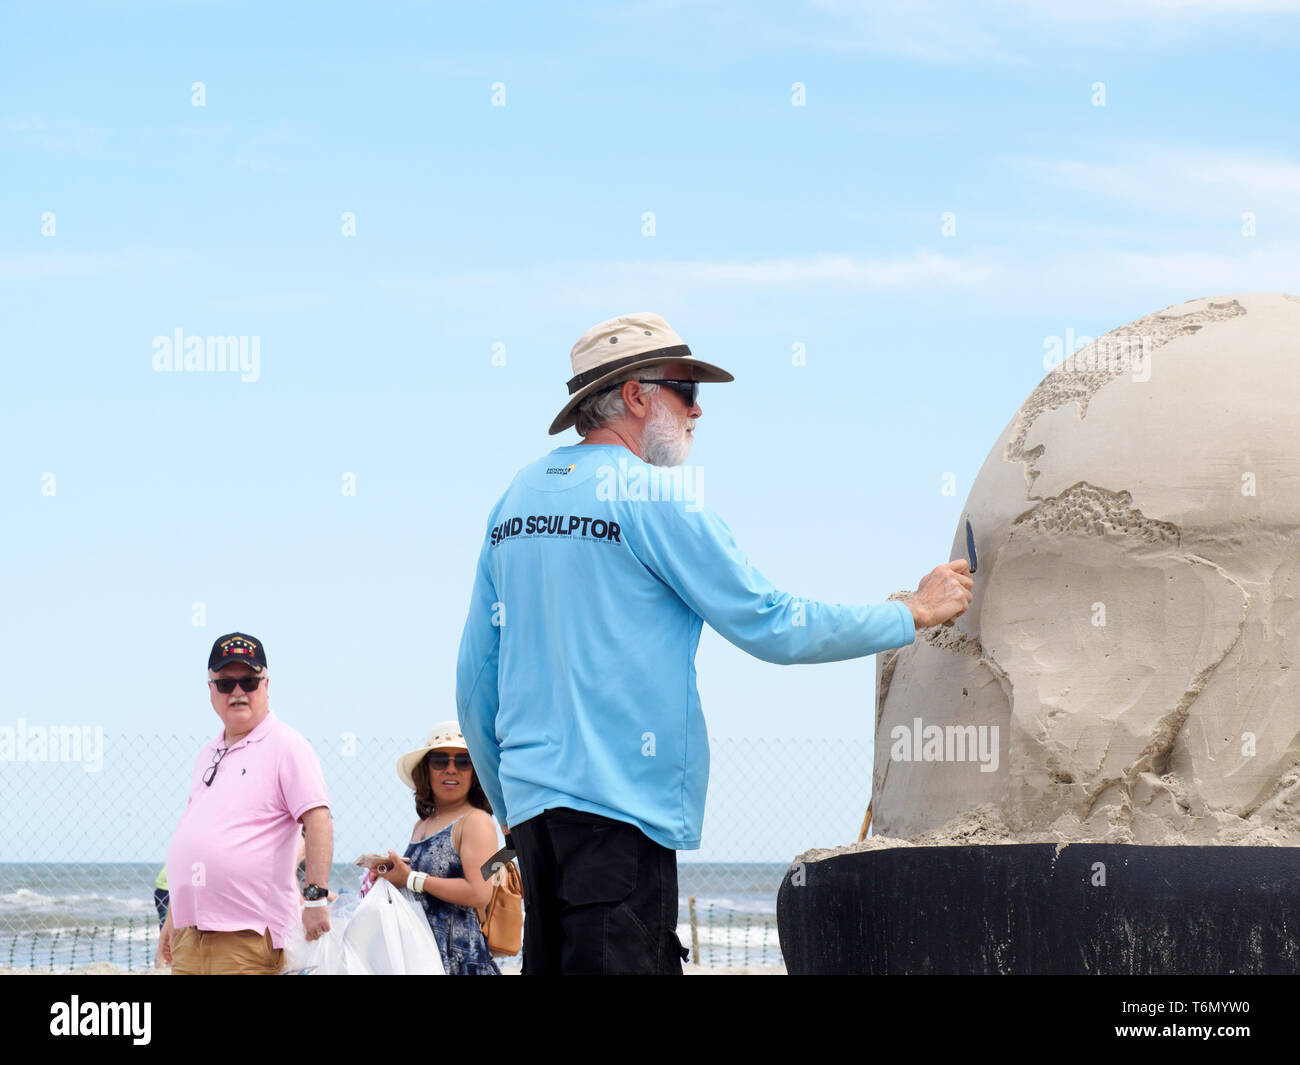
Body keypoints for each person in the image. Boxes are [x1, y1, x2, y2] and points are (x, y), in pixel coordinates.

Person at [455, 311, 973, 975]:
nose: (698, 411)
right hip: (619, 819)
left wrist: (510, 807)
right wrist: (909, 611)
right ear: (638, 396)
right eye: (686, 391)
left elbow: (475, 680)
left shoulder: (515, 500)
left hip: (535, 818)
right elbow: (773, 623)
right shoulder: (652, 497)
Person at [156, 632, 334, 974]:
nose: (237, 692)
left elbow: (319, 819)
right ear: (210, 689)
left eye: (248, 681)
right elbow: (196, 843)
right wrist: (174, 918)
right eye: (225, 684)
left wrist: (315, 899)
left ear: (266, 685)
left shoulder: (286, 745)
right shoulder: (207, 753)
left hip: (248, 935)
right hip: (191, 936)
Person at [362, 723, 500, 975]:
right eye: (439, 760)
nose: (451, 769)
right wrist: (393, 877)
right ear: (426, 770)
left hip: (458, 958)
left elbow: (479, 893)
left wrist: (412, 878)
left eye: (463, 761)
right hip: (423, 955)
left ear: (475, 771)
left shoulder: (476, 821)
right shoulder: (422, 824)